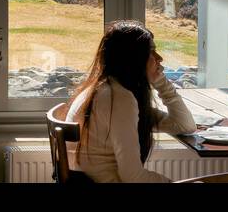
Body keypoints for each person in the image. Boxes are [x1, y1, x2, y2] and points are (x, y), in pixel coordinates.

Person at [63, 21, 198, 182]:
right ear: (133, 58)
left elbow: (185, 126)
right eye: (152, 52)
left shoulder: (105, 90)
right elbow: (132, 177)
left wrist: (161, 82)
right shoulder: (118, 99)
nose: (160, 58)